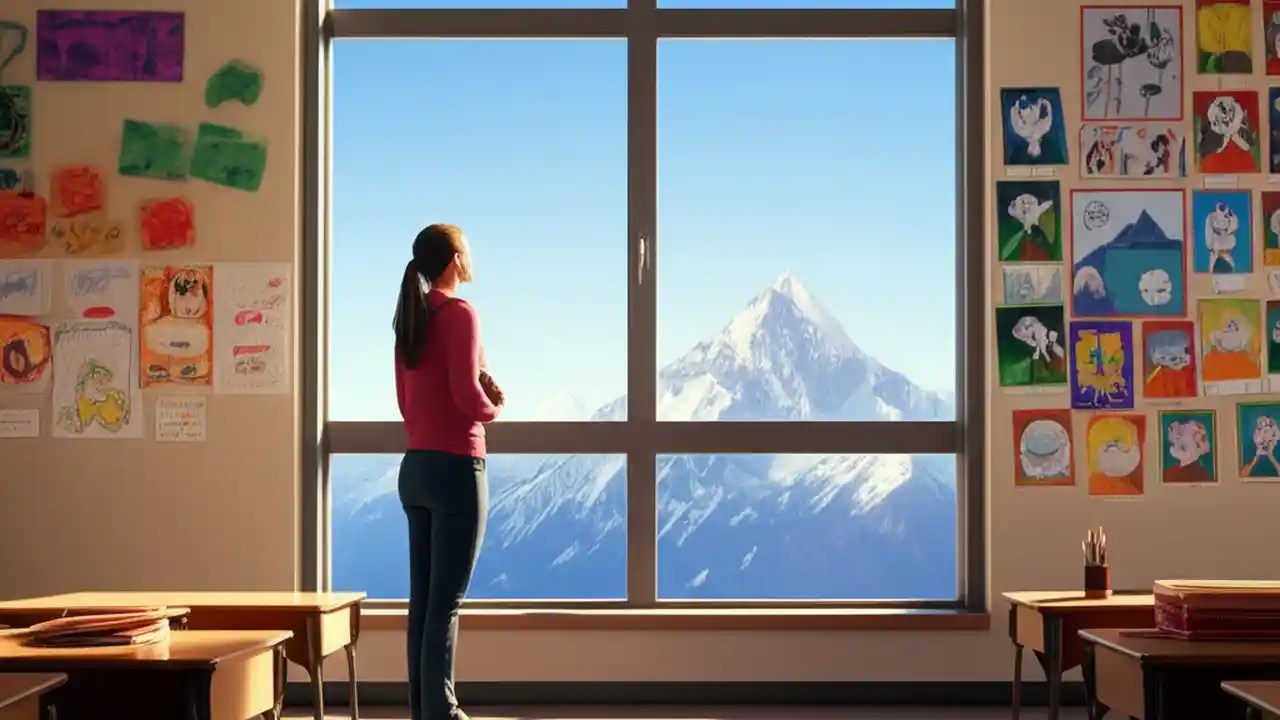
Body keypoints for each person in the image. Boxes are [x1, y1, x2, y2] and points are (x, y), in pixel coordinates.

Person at [393, 223, 504, 720]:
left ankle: (424, 709)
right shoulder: (461, 313)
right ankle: (444, 712)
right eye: (468, 249)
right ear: (456, 259)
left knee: (422, 604)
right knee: (447, 605)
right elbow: (466, 396)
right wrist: (493, 406)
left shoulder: (410, 318)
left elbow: (408, 402)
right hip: (457, 467)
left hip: (415, 468)